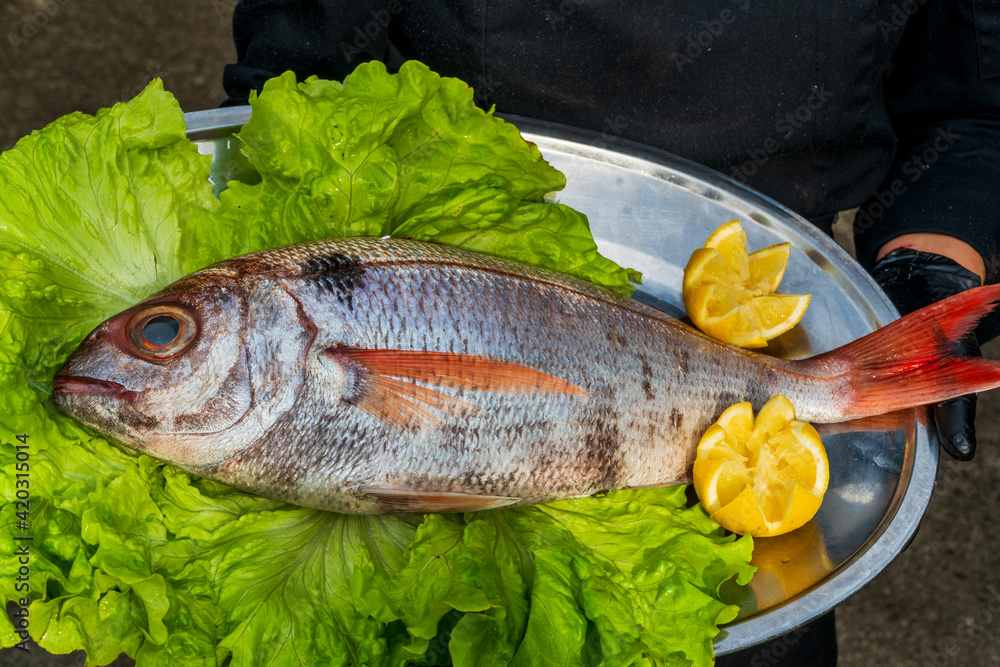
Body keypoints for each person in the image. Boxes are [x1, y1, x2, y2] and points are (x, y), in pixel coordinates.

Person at [220, 1, 1000, 664]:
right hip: (443, 251)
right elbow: (305, 70)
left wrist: (933, 254)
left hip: (751, 309)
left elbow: (972, 112)